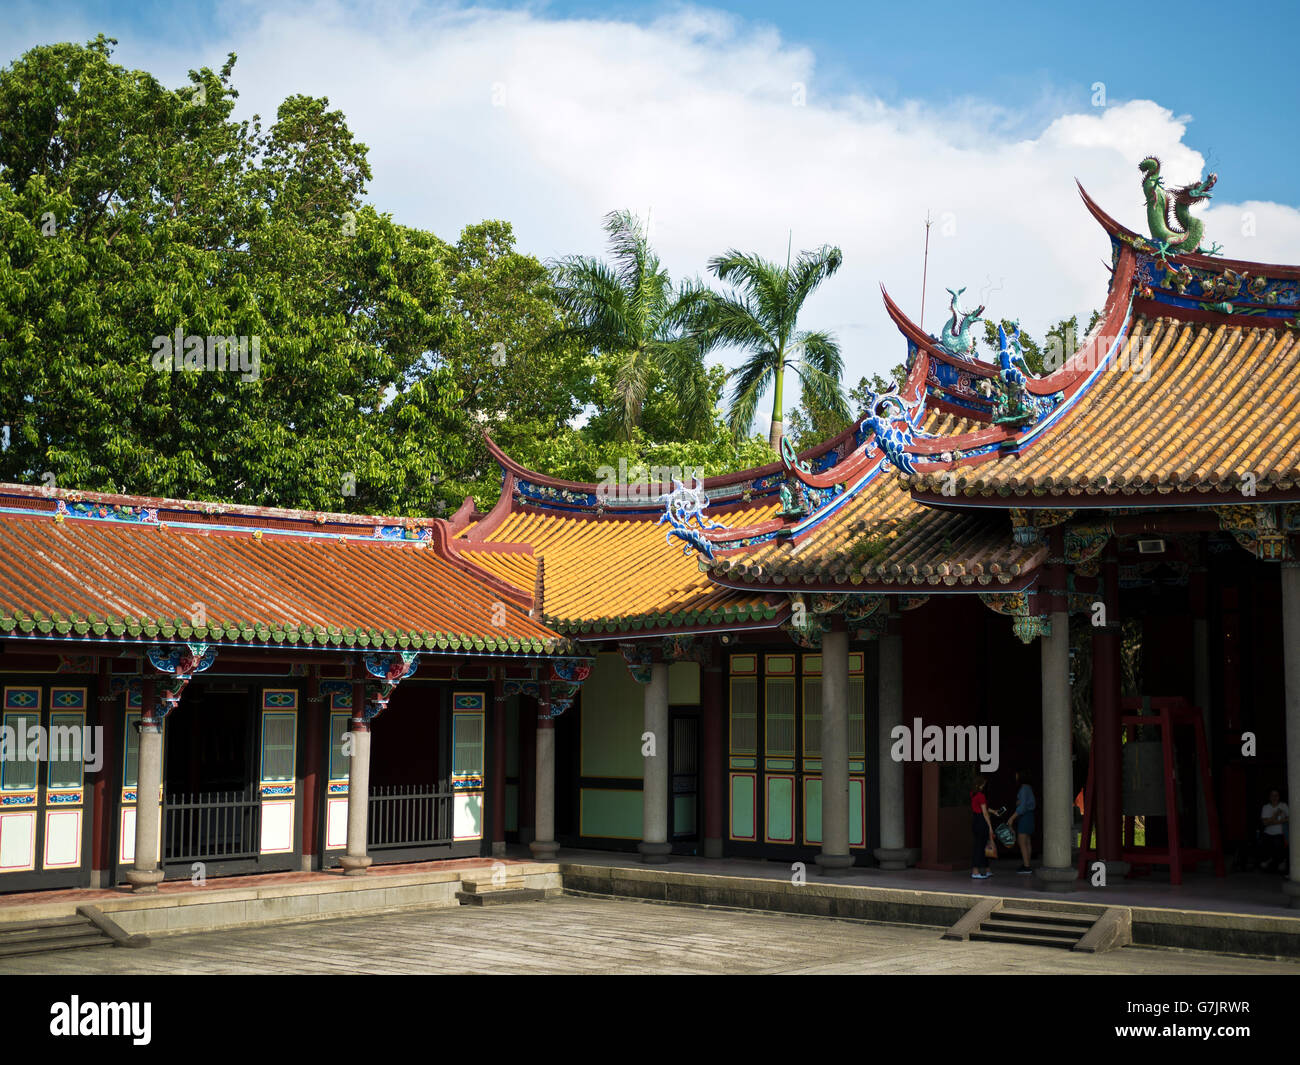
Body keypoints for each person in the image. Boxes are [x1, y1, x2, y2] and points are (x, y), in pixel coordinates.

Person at [1007, 769, 1036, 874]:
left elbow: (1022, 807)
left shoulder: (1023, 788)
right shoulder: (1029, 788)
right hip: (1030, 816)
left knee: (1022, 841)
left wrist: (1012, 818)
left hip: (1024, 817)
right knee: (1027, 841)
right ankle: (1027, 863)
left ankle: (1026, 866)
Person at [1258, 788, 1289, 874]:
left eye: (1276, 795)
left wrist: (1272, 821)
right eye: (1272, 795)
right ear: (1269, 797)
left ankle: (1281, 862)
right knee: (1263, 843)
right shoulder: (1266, 807)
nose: (1274, 797)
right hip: (1268, 832)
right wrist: (1276, 815)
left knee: (1278, 842)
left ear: (1279, 796)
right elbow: (1265, 823)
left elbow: (1289, 818)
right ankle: (1269, 861)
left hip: (1281, 833)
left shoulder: (1283, 805)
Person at [970, 776, 995, 879]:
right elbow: (984, 812)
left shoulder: (973, 794)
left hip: (976, 820)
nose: (984, 786)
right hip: (981, 821)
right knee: (980, 847)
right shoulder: (981, 796)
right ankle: (975, 872)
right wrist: (990, 827)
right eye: (983, 784)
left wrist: (993, 811)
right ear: (980, 785)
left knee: (981, 845)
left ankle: (987, 870)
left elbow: (982, 808)